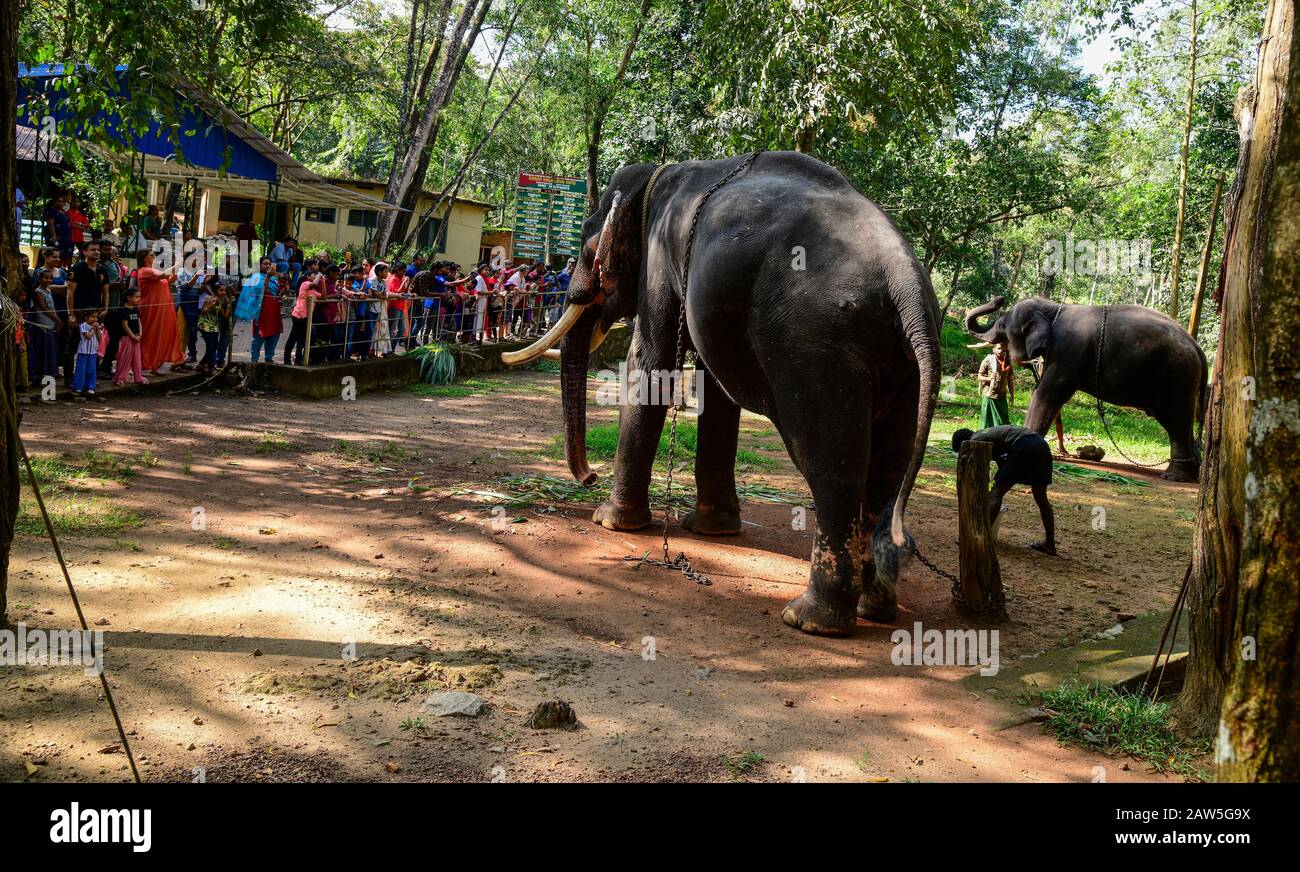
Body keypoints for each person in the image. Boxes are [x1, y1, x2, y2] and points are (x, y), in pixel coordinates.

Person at [952, 425, 1057, 556]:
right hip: (1041, 446)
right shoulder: (988, 435)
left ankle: (978, 537)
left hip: (1024, 445)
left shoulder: (975, 440)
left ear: (962, 444)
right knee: (1041, 498)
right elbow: (1003, 465)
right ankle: (1050, 544)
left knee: (996, 493)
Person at [136, 249, 185, 374]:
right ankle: (138, 364)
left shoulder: (154, 270)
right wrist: (178, 263)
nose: (154, 257)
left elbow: (169, 279)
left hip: (163, 309)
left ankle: (154, 364)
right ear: (144, 258)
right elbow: (163, 275)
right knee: (149, 335)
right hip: (152, 308)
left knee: (161, 334)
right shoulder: (144, 271)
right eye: (151, 255)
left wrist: (177, 268)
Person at [25, 268, 61, 399]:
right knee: (43, 350)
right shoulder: (38, 292)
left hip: (51, 324)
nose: (49, 280)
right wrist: (58, 321)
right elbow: (44, 309)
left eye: (50, 278)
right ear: (40, 279)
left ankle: (46, 382)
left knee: (50, 351)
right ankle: (39, 377)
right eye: (46, 278)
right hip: (43, 324)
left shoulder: (48, 290)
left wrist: (56, 321)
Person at [284, 265, 322, 365]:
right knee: (294, 338)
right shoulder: (305, 284)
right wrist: (319, 276)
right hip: (298, 316)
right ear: (308, 276)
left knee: (301, 338)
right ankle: (288, 359)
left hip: (305, 317)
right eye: (313, 274)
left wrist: (323, 281)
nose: (316, 276)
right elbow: (314, 284)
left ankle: (298, 359)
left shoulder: (313, 291)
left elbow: (324, 296)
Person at [111, 289, 147, 386]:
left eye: (139, 297)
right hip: (127, 337)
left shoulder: (135, 309)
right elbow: (125, 325)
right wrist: (132, 336)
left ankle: (138, 377)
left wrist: (140, 334)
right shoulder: (123, 310)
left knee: (137, 358)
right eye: (136, 297)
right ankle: (120, 377)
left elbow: (139, 321)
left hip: (136, 337)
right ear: (129, 298)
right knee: (124, 357)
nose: (138, 299)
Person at [250, 261, 283, 363]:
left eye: (269, 264)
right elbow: (260, 292)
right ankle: (254, 359)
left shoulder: (275, 278)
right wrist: (268, 277)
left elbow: (277, 293)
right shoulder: (255, 277)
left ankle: (269, 358)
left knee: (274, 335)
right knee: (259, 336)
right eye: (264, 264)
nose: (268, 266)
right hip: (261, 311)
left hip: (274, 310)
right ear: (259, 266)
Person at [977, 342, 1014, 428]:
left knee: (1003, 422)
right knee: (987, 421)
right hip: (989, 395)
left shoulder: (1007, 362)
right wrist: (990, 379)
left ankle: (1001, 439)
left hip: (1002, 396)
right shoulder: (988, 360)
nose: (1001, 351)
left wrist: (1012, 395)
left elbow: (1010, 380)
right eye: (999, 348)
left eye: (1003, 349)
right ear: (993, 349)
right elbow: (979, 377)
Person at [72, 309, 104, 401]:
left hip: (93, 352)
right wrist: (94, 328)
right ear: (86, 318)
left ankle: (90, 387)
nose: (95, 319)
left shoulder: (97, 327)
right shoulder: (83, 326)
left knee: (91, 370)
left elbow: (100, 339)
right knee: (81, 370)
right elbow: (88, 337)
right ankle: (78, 387)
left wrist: (98, 329)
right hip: (83, 351)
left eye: (96, 317)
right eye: (92, 317)